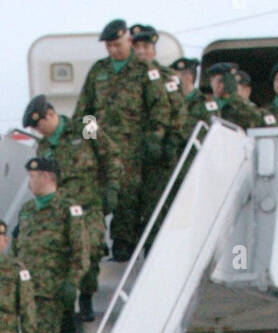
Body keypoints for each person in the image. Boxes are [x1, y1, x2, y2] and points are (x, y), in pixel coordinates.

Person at [74, 19, 171, 261]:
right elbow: (85, 108)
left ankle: (123, 240)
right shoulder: (99, 70)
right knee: (96, 193)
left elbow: (159, 105)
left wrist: (156, 135)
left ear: (128, 40)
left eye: (116, 44)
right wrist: (89, 139)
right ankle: (96, 243)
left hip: (132, 144)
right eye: (108, 46)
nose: (112, 50)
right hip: (102, 144)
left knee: (127, 193)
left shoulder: (145, 69)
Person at [22, 99, 121, 326]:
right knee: (61, 256)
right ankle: (66, 308)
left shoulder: (86, 125)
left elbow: (110, 154)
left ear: (50, 114)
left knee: (92, 248)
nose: (38, 130)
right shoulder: (43, 147)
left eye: (39, 124)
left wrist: (113, 186)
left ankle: (86, 296)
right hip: (61, 212)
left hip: (89, 205)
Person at [13, 157, 90, 333]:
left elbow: (80, 250)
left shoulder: (68, 208)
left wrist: (72, 282)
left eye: (33, 177)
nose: (29, 182)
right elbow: (19, 247)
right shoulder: (27, 210)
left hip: (50, 290)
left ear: (46, 177)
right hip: (24, 289)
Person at [128, 25, 189, 225]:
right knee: (125, 210)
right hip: (123, 155)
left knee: (156, 207)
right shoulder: (113, 77)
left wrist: (171, 140)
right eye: (136, 47)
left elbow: (179, 111)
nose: (141, 52)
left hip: (156, 154)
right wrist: (92, 141)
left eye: (146, 47)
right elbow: (89, 112)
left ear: (154, 51)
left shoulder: (167, 76)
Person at [173, 57, 221, 127]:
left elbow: (213, 128)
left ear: (188, 77)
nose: (172, 81)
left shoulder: (205, 102)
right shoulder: (172, 100)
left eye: (175, 78)